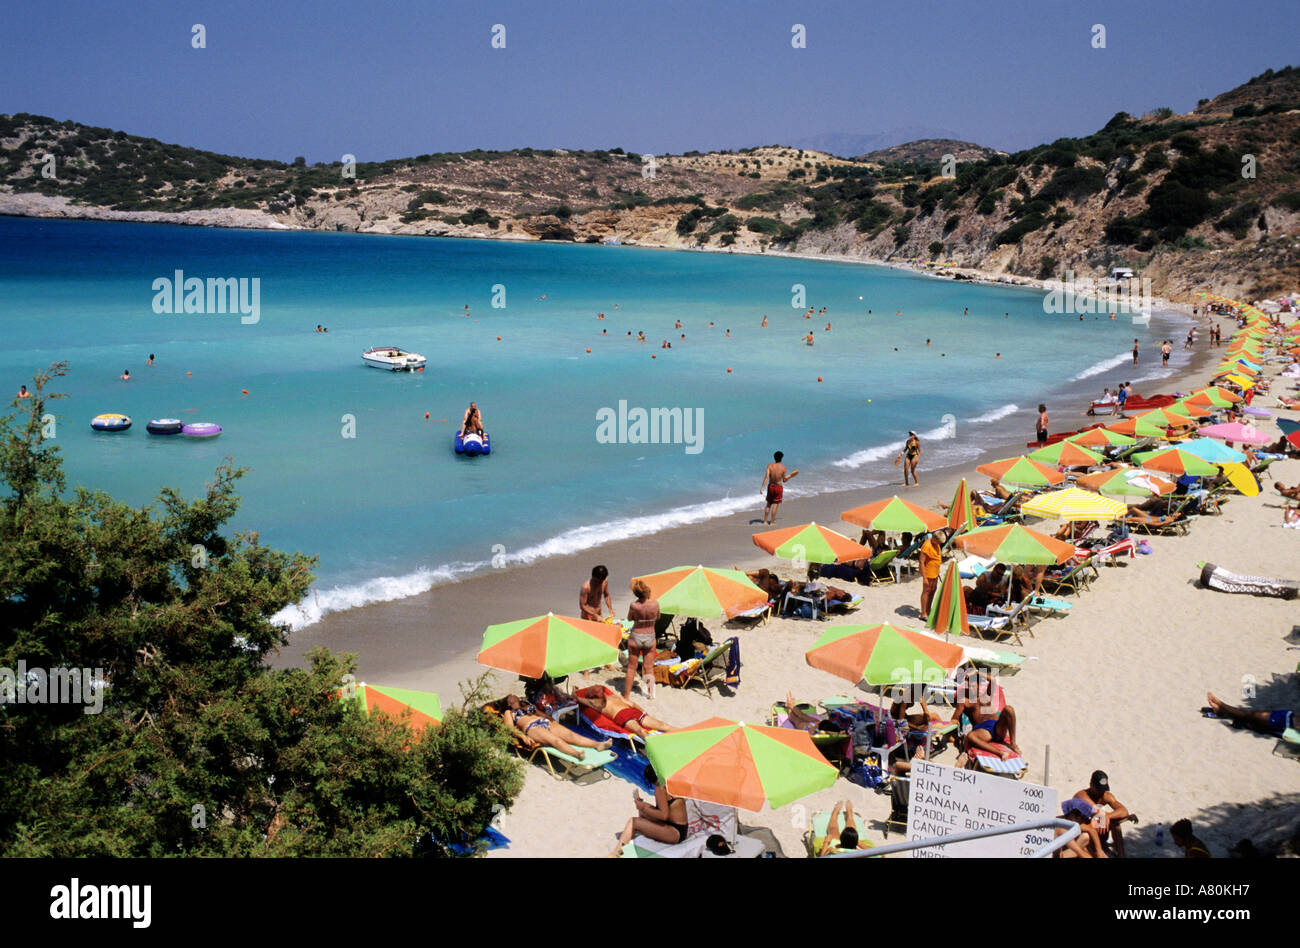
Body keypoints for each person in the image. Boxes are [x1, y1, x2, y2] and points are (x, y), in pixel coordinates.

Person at [497, 694, 611, 759]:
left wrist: (552, 720)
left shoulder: (526, 706)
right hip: (532, 728)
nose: (513, 696)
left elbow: (542, 714)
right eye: (510, 697)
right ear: (508, 703)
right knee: (556, 741)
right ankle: (577, 754)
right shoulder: (509, 713)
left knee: (571, 735)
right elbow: (510, 728)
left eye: (515, 696)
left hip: (545, 721)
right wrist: (522, 737)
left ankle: (598, 745)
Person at [610, 764, 691, 855]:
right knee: (644, 809)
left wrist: (643, 807)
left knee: (633, 821)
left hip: (675, 833)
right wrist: (644, 807)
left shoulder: (660, 789)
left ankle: (615, 854)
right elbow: (666, 811)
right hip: (681, 829)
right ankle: (639, 830)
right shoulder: (669, 781)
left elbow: (664, 815)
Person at [951, 669, 1020, 760]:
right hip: (983, 731)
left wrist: (976, 672)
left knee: (1009, 709)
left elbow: (993, 680)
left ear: (979, 686)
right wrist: (955, 722)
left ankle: (1013, 743)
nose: (972, 688)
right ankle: (1000, 753)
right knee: (971, 736)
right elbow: (954, 718)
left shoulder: (986, 695)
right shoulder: (965, 701)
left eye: (974, 686)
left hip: (997, 727)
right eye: (970, 686)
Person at [1073, 770, 1136, 857]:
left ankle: (1121, 855)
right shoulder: (1082, 796)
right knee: (1087, 835)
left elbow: (1123, 811)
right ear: (1091, 785)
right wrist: (1105, 816)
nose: (1101, 792)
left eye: (1103, 790)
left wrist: (1108, 816)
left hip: (1096, 830)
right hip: (1079, 830)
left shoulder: (1105, 795)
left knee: (1115, 823)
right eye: (1098, 789)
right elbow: (1097, 812)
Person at [575, 686, 675, 738]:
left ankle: (686, 733)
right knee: (659, 726)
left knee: (643, 731)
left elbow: (631, 704)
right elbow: (632, 704)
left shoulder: (597, 702)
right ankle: (684, 733)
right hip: (628, 713)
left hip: (626, 713)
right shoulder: (598, 702)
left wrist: (574, 692)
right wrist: (643, 712)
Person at [625, 579, 659, 699]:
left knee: (631, 667)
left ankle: (627, 696)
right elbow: (658, 616)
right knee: (648, 667)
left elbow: (629, 618)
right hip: (650, 636)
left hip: (636, 636)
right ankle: (650, 694)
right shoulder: (655, 604)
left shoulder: (634, 605)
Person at [1204, 692, 1296, 736]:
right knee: (1251, 716)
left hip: (1285, 724)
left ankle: (1222, 706)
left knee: (1249, 716)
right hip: (1288, 715)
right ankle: (1221, 710)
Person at [761, 451, 798, 525]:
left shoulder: (770, 466)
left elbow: (766, 478)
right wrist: (789, 477)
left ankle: (765, 521)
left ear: (774, 457)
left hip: (771, 486)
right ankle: (771, 522)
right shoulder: (783, 468)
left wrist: (762, 488)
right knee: (775, 504)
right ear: (781, 458)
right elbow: (784, 480)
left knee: (768, 504)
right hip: (778, 487)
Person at [918, 530, 943, 618]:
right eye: (938, 542)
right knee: (926, 591)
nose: (938, 544)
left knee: (933, 590)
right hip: (928, 573)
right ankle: (923, 613)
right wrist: (924, 578)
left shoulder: (936, 544)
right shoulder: (927, 545)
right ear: (934, 539)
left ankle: (928, 610)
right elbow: (921, 561)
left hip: (935, 572)